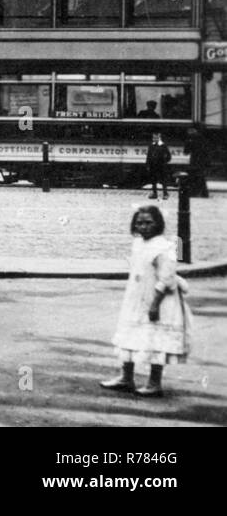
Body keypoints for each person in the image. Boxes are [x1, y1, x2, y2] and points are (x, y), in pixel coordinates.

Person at [100, 205, 191, 397]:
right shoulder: (138, 243)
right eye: (139, 223)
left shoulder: (165, 247)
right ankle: (126, 377)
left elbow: (166, 277)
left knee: (155, 338)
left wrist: (155, 304)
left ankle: (154, 382)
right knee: (130, 333)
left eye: (149, 223)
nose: (144, 227)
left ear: (158, 224)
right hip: (136, 297)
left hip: (159, 299)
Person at [146, 133, 172, 199]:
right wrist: (148, 164)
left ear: (159, 137)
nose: (155, 139)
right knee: (153, 180)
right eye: (154, 138)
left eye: (156, 138)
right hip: (153, 165)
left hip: (161, 165)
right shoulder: (151, 145)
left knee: (163, 180)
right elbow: (148, 156)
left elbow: (169, 156)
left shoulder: (163, 145)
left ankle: (165, 194)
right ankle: (154, 194)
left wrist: (164, 161)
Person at [185, 129, 209, 199]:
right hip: (202, 161)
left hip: (194, 161)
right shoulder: (202, 139)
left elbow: (186, 151)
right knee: (201, 177)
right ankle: (204, 193)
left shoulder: (190, 140)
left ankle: (194, 192)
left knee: (193, 177)